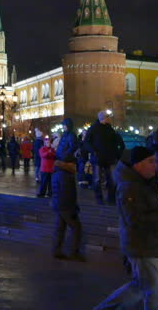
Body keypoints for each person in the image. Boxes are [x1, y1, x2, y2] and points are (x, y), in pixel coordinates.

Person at [94, 146, 158, 310]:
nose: (155, 165)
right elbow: (135, 218)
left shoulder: (141, 183)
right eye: (150, 161)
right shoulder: (130, 187)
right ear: (137, 164)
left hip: (148, 243)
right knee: (156, 293)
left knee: (139, 287)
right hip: (142, 245)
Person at [52, 118, 83, 261]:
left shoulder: (58, 172)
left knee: (60, 227)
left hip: (60, 204)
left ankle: (57, 250)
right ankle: (74, 252)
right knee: (75, 228)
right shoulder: (66, 174)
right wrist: (72, 207)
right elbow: (68, 192)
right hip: (65, 205)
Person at [83, 110, 124, 205]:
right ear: (103, 118)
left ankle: (110, 198)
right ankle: (99, 198)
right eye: (107, 117)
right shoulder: (94, 128)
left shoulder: (110, 129)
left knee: (112, 179)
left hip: (109, 158)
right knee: (97, 179)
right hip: (99, 158)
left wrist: (117, 153)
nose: (109, 118)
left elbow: (117, 142)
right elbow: (86, 142)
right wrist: (94, 151)